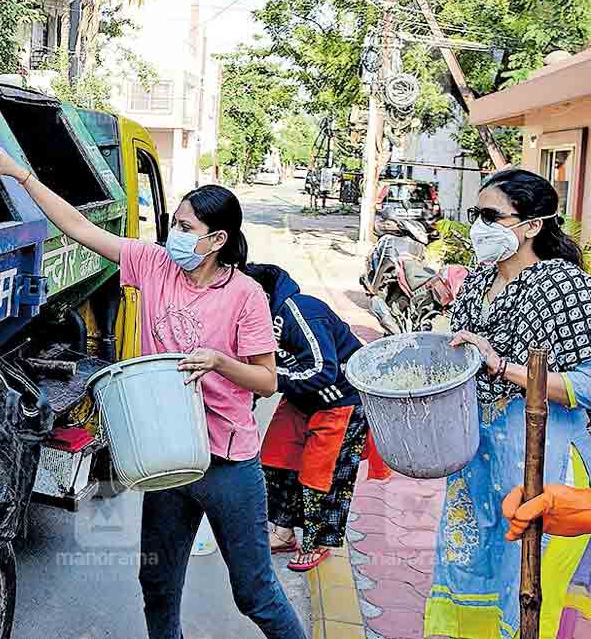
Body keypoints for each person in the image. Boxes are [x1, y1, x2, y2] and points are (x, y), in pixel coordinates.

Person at [0, 146, 306, 639]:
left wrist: (219, 362)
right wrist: (21, 174)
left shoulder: (245, 295)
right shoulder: (152, 263)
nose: (176, 234)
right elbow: (80, 229)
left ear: (217, 240)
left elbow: (267, 380)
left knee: (253, 592)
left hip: (227, 463)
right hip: (166, 455)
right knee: (158, 584)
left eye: (187, 227)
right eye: (177, 223)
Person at [424, 169, 591, 639]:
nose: (479, 226)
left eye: (491, 216)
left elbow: (588, 381)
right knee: (468, 567)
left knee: (526, 583)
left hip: (540, 460)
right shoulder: (477, 280)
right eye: (476, 215)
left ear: (532, 225)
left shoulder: (564, 286)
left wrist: (501, 366)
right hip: (477, 458)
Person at [244, 264, 391, 573]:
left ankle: (318, 543)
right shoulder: (253, 317)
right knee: (276, 459)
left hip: (342, 400)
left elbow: (322, 370)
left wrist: (269, 379)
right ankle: (283, 531)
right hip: (302, 398)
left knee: (320, 477)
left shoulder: (300, 311)